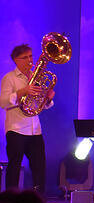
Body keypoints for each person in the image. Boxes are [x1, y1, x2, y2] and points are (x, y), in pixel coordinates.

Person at [0, 44, 54, 193]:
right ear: (16, 60)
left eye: (31, 56)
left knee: (39, 169)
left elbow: (38, 105)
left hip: (35, 129)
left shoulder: (35, 76)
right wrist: (23, 91)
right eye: (25, 57)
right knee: (14, 167)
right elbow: (3, 102)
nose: (30, 60)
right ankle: (11, 202)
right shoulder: (9, 78)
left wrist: (47, 99)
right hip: (16, 129)